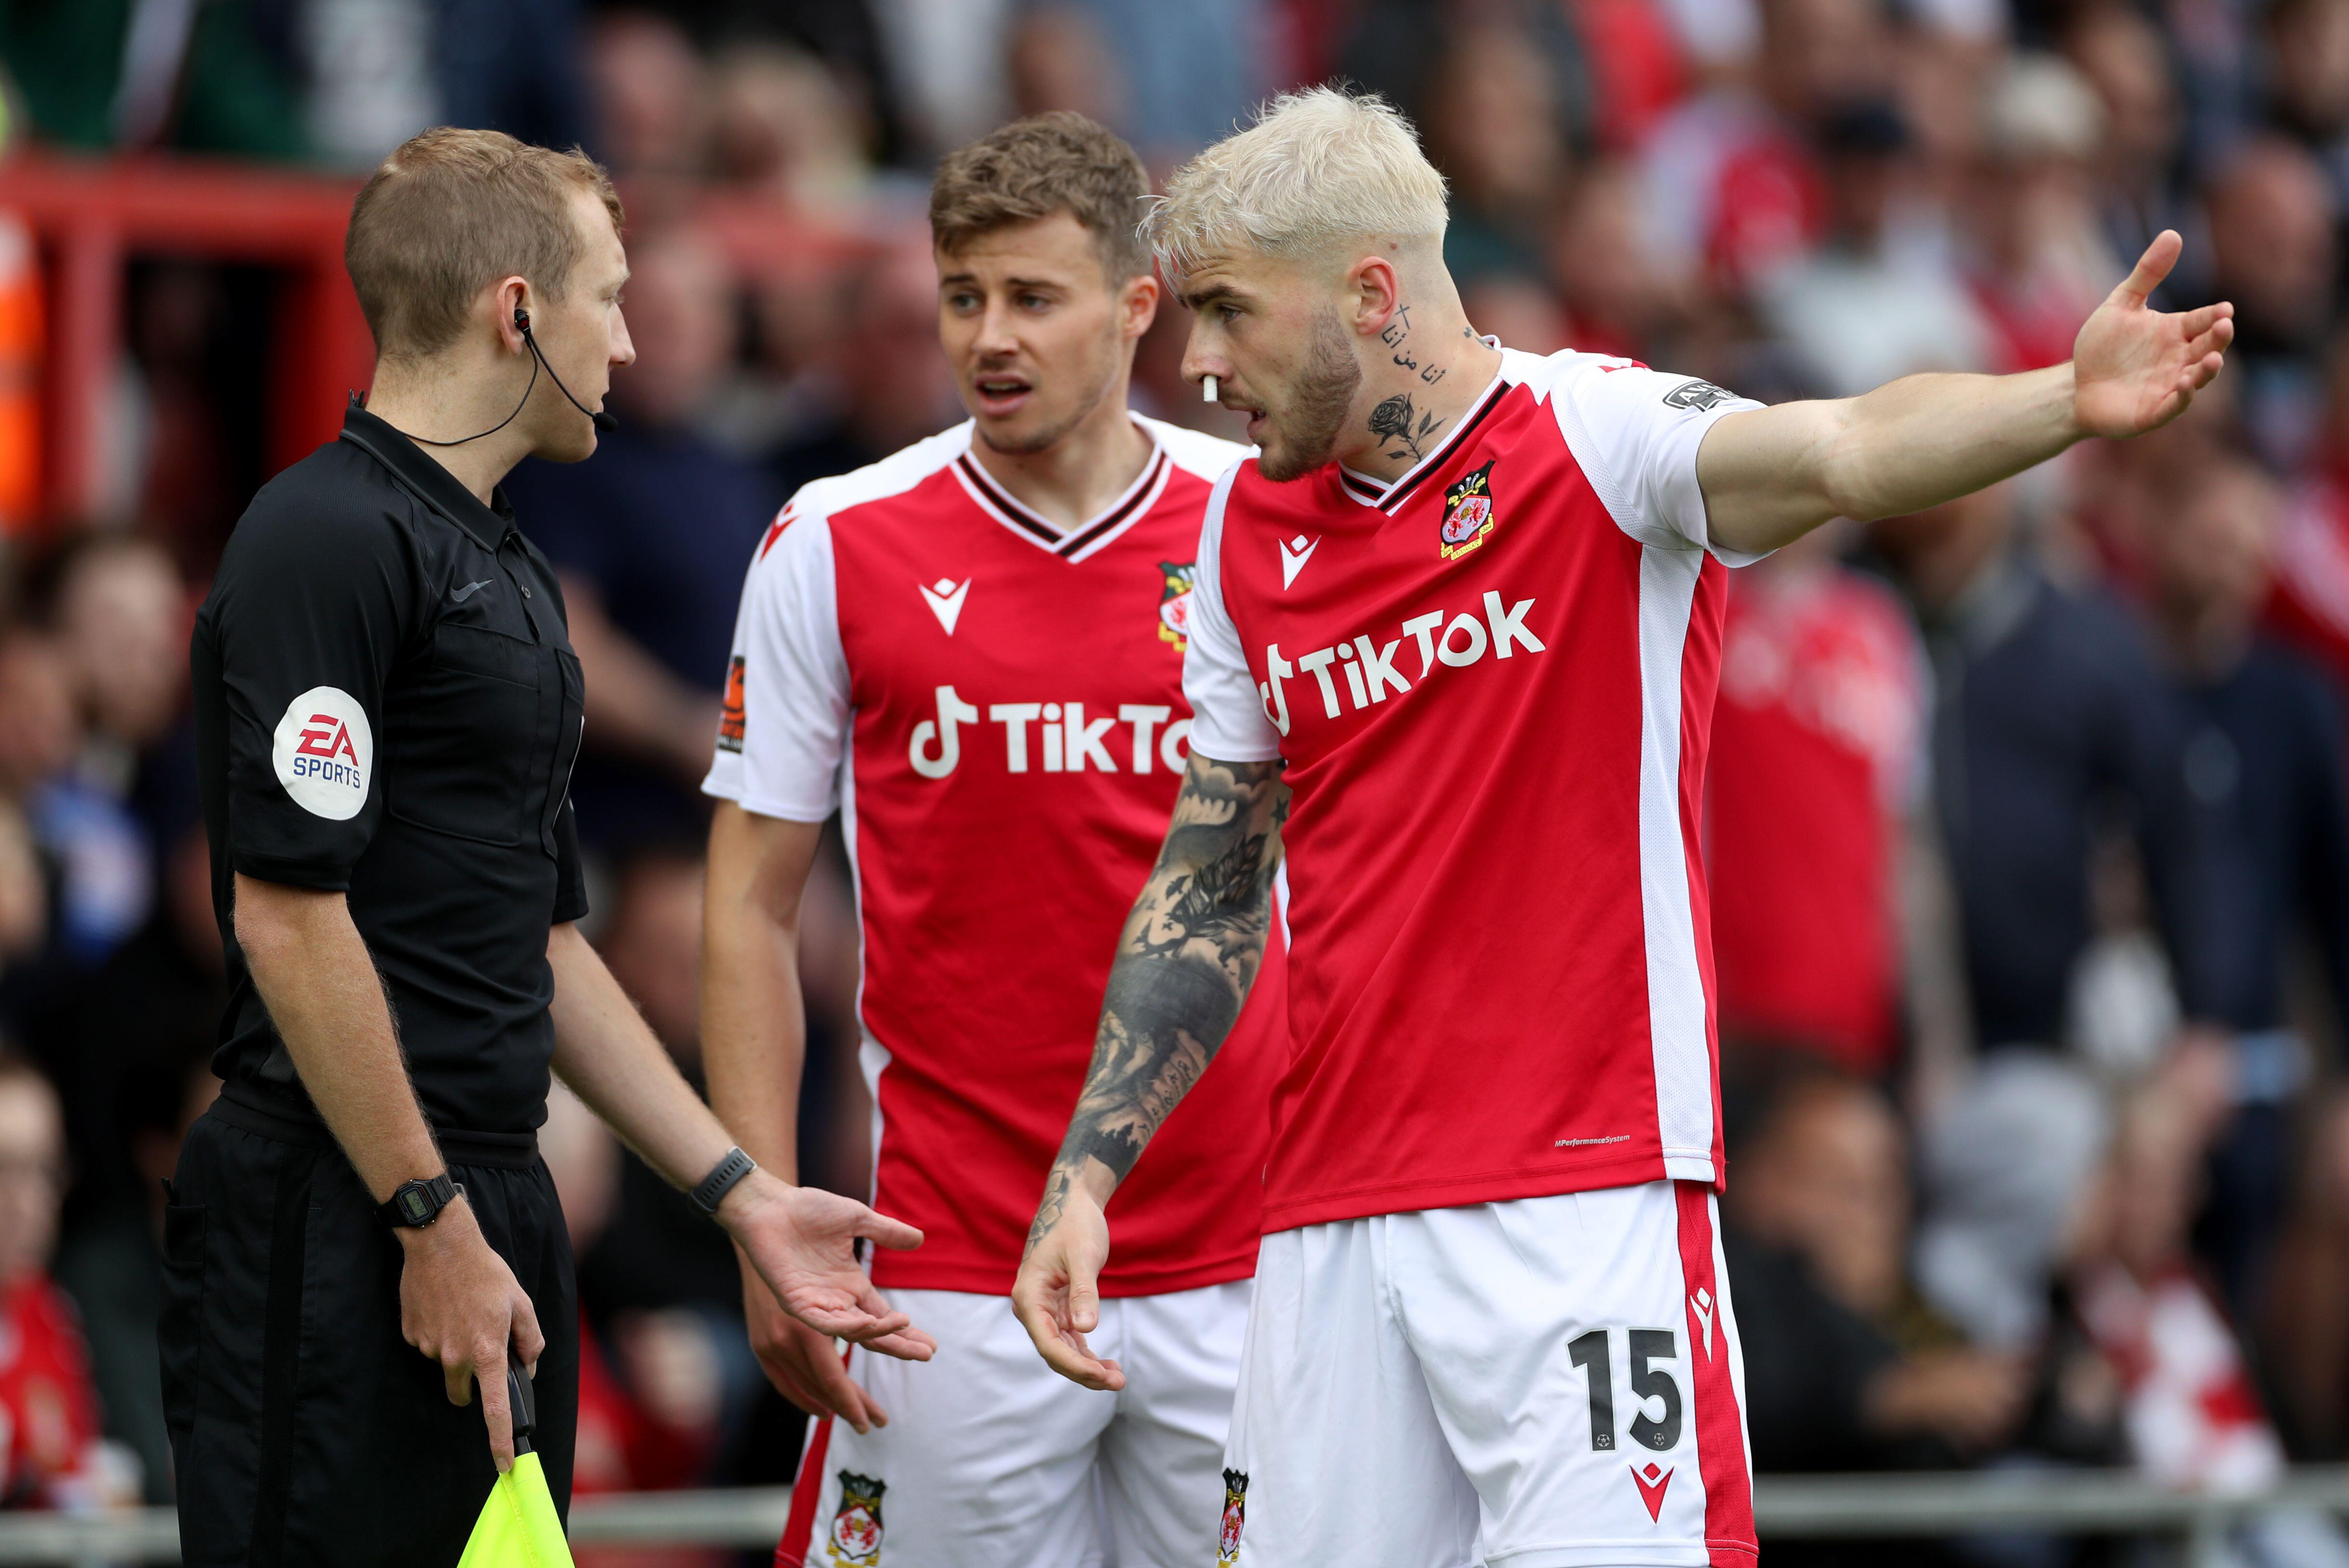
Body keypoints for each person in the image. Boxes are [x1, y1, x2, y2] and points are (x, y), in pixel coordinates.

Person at [1013, 86, 2231, 1568]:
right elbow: (1208, 880)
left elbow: (1844, 444)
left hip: (1582, 1203)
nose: (1196, 366)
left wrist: (2059, 399)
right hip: (1326, 1224)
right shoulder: (1243, 535)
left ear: (1371, 293)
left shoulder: (1594, 433)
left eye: (1224, 314)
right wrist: (1085, 1178)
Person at [166, 127, 930, 1568]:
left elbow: (538, 939)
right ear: (517, 309)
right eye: (611, 296)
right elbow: (287, 914)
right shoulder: (321, 535)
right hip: (351, 1217)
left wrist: (741, 1195)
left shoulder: (508, 566)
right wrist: (426, 1214)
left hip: (487, 1205)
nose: (631, 344)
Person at [701, 112, 1283, 1568]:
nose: (990, 336)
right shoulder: (835, 540)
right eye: (966, 297)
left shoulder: (1260, 525)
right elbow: (750, 910)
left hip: (1249, 1257)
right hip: (947, 1265)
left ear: (1138, 305)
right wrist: (760, 1206)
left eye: (1035, 296)